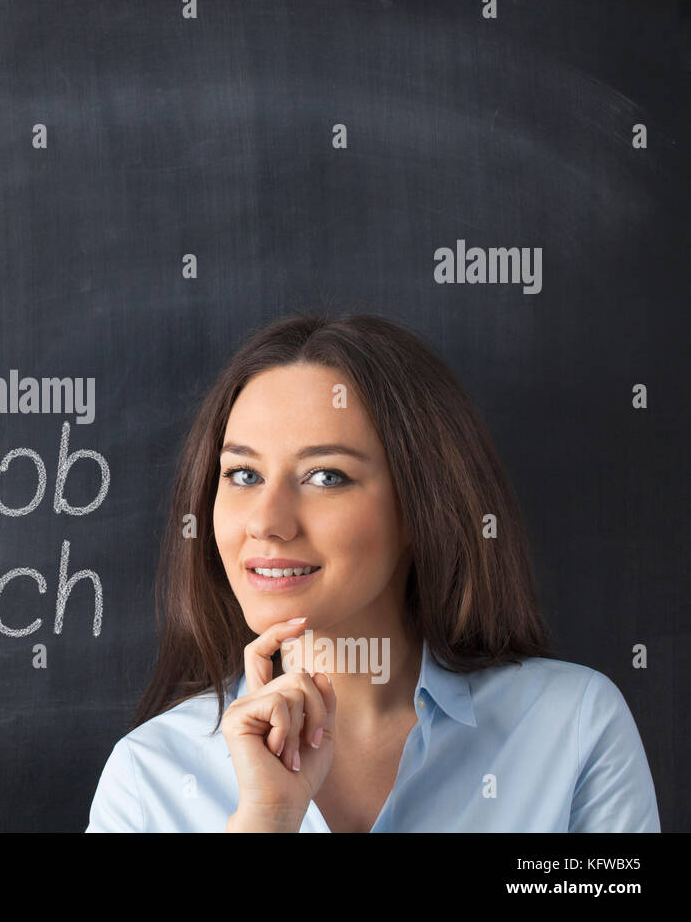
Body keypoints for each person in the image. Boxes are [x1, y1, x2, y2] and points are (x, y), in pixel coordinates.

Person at [85, 313, 659, 832]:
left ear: (420, 509)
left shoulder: (573, 727)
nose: (267, 522)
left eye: (326, 476)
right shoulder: (147, 781)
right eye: (242, 475)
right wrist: (267, 820)